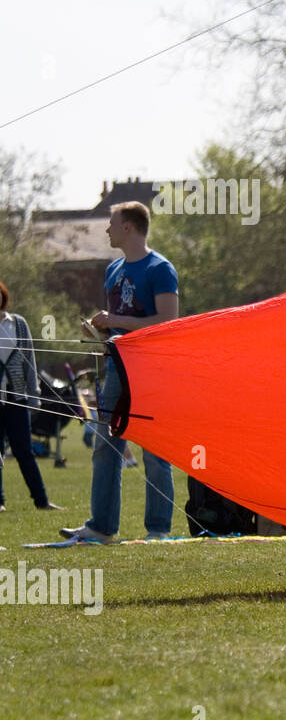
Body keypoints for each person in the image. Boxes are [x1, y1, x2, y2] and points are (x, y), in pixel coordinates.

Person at [60, 201, 178, 543]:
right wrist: (101, 334)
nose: (107, 229)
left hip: (151, 371)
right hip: (116, 368)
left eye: (112, 224)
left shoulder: (160, 268)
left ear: (129, 227)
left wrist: (115, 321)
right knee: (105, 445)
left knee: (155, 451)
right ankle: (102, 527)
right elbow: (119, 326)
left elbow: (168, 321)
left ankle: (158, 530)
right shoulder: (113, 269)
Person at [0, 281, 64, 512]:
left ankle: (42, 500)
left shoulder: (17, 323)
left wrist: (34, 395)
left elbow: (29, 359)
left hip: (17, 397)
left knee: (24, 451)